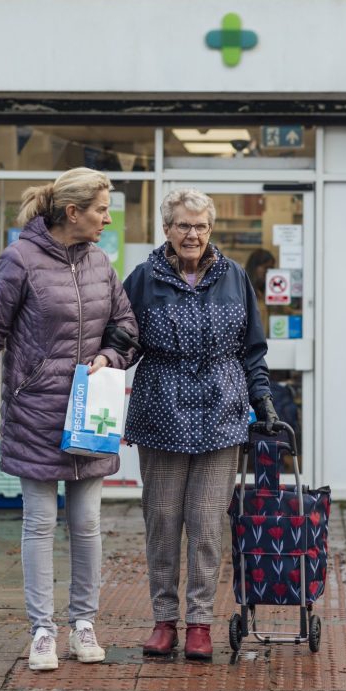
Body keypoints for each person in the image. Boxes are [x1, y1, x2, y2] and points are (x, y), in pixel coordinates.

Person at [0, 167, 138, 672]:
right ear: (73, 212)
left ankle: (83, 623)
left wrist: (109, 357)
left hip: (92, 413)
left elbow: (125, 325)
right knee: (40, 524)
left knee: (86, 524)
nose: (107, 219)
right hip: (36, 411)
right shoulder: (19, 260)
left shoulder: (100, 263)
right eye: (101, 210)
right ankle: (42, 630)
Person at [115, 187, 279, 662]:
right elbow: (126, 340)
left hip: (220, 414)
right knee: (163, 522)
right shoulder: (144, 279)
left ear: (211, 230)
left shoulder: (234, 277)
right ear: (167, 228)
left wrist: (262, 397)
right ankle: (164, 621)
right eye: (184, 225)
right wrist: (105, 362)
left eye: (201, 226)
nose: (193, 234)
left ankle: (201, 624)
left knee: (207, 526)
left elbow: (252, 348)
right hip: (161, 411)